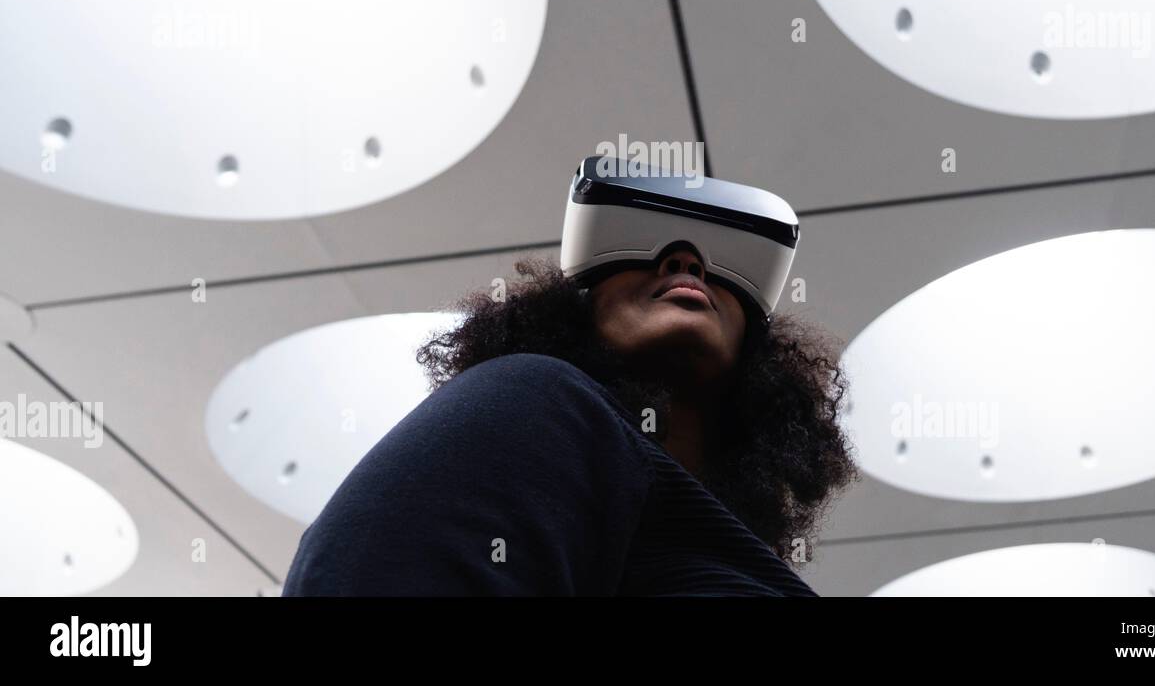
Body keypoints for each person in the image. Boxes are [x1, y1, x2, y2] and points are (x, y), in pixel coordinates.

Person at [283, 223, 855, 596]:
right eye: (637, 245)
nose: (687, 259)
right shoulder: (534, 398)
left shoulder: (708, 545)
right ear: (571, 311)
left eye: (721, 267)